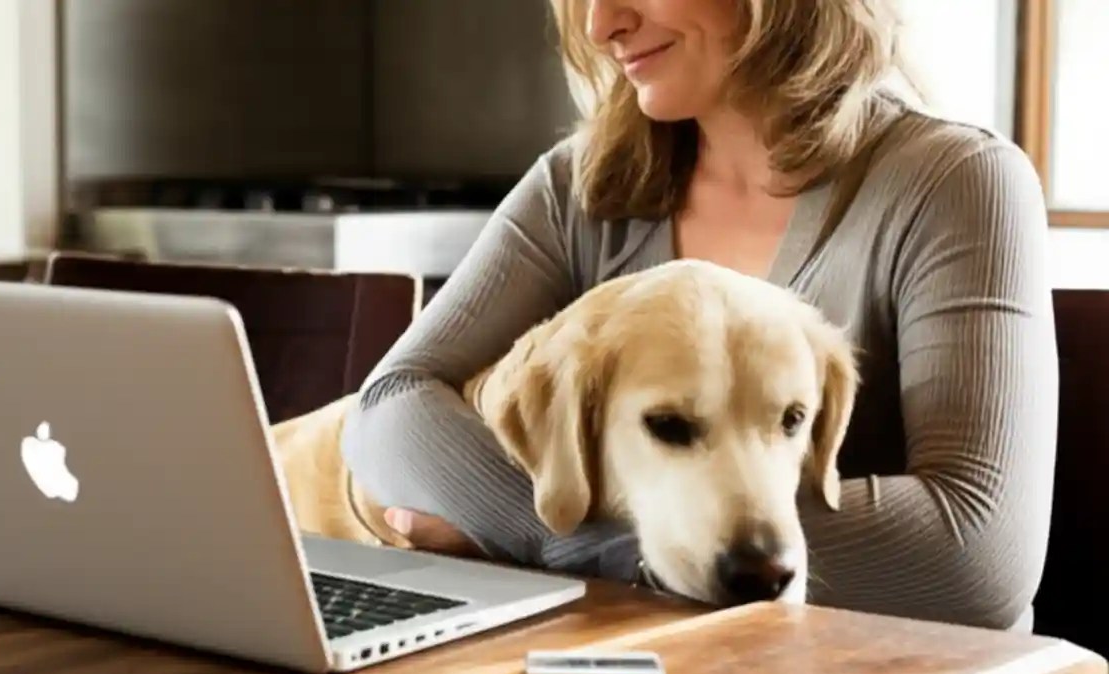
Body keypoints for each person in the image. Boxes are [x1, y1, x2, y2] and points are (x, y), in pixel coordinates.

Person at [339, 0, 1058, 634]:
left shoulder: (956, 180)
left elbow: (978, 557)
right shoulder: (579, 186)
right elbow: (389, 411)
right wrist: (596, 546)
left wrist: (564, 545)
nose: (601, 24)